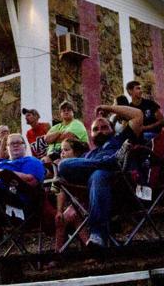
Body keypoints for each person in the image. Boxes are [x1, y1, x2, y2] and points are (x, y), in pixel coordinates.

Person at [56, 102, 147, 248]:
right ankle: (112, 162)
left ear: (112, 129)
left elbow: (138, 115)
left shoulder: (120, 140)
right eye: (95, 129)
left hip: (121, 189)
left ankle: (97, 234)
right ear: (90, 135)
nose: (100, 131)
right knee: (64, 165)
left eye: (104, 127)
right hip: (93, 194)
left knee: (98, 175)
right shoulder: (88, 154)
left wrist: (108, 108)